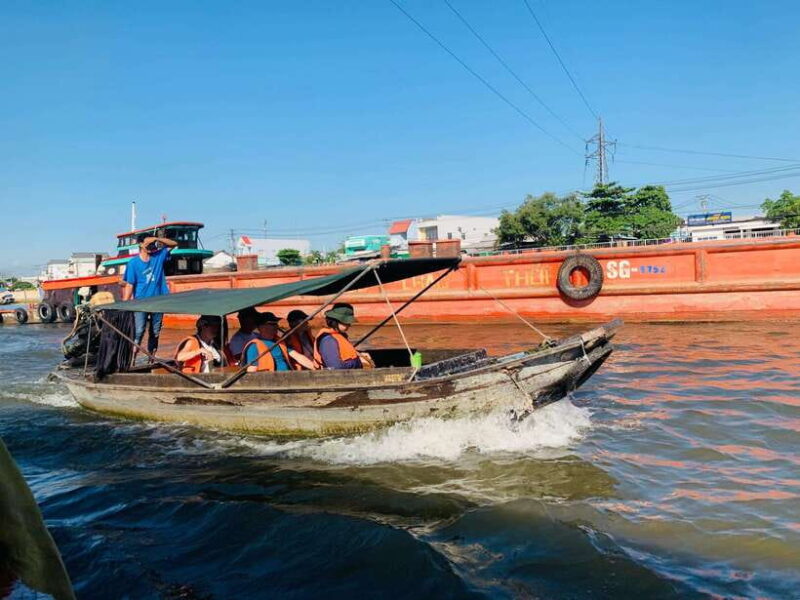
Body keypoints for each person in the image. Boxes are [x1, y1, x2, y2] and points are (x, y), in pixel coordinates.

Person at [121, 235, 178, 359]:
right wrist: (124, 305)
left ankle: (151, 359)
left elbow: (173, 244)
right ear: (141, 245)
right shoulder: (133, 263)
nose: (152, 246)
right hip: (140, 303)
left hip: (158, 301)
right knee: (139, 331)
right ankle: (132, 359)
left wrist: (157, 239)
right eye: (148, 243)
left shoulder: (158, 256)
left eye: (153, 244)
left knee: (155, 331)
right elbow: (130, 285)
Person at [313, 304, 368, 370]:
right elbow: (335, 367)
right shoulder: (328, 340)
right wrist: (359, 361)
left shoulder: (339, 335)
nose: (349, 325)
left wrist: (361, 356)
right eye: (346, 322)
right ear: (336, 321)